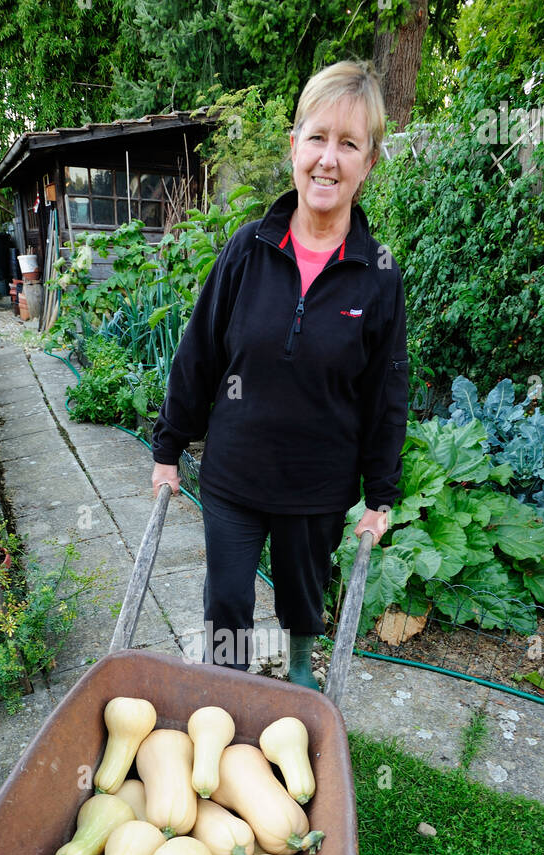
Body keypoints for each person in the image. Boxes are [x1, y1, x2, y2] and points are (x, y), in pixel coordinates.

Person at [151, 60, 409, 689]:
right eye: (318, 138)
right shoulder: (248, 249)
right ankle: (227, 692)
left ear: (368, 162)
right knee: (229, 603)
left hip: (317, 486)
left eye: (349, 144)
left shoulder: (377, 273)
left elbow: (386, 390)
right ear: (294, 147)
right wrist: (168, 447)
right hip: (235, 476)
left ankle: (298, 673)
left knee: (302, 597)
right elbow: (199, 352)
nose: (329, 159)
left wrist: (381, 494)